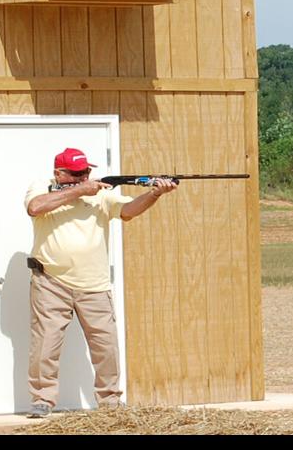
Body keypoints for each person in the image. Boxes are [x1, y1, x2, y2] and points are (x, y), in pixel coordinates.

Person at [21, 147, 177, 418]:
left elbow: (128, 211)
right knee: (46, 344)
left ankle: (110, 401)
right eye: (77, 173)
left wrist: (154, 193)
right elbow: (35, 208)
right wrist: (80, 190)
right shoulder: (43, 188)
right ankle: (42, 400)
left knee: (106, 346)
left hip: (94, 284)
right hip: (50, 281)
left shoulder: (102, 195)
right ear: (59, 173)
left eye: (86, 172)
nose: (84, 177)